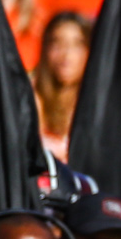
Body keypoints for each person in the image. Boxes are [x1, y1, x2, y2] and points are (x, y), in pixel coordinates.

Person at [33, 12, 90, 158]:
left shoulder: (100, 103)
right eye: (57, 44)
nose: (66, 55)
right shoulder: (33, 98)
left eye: (77, 45)